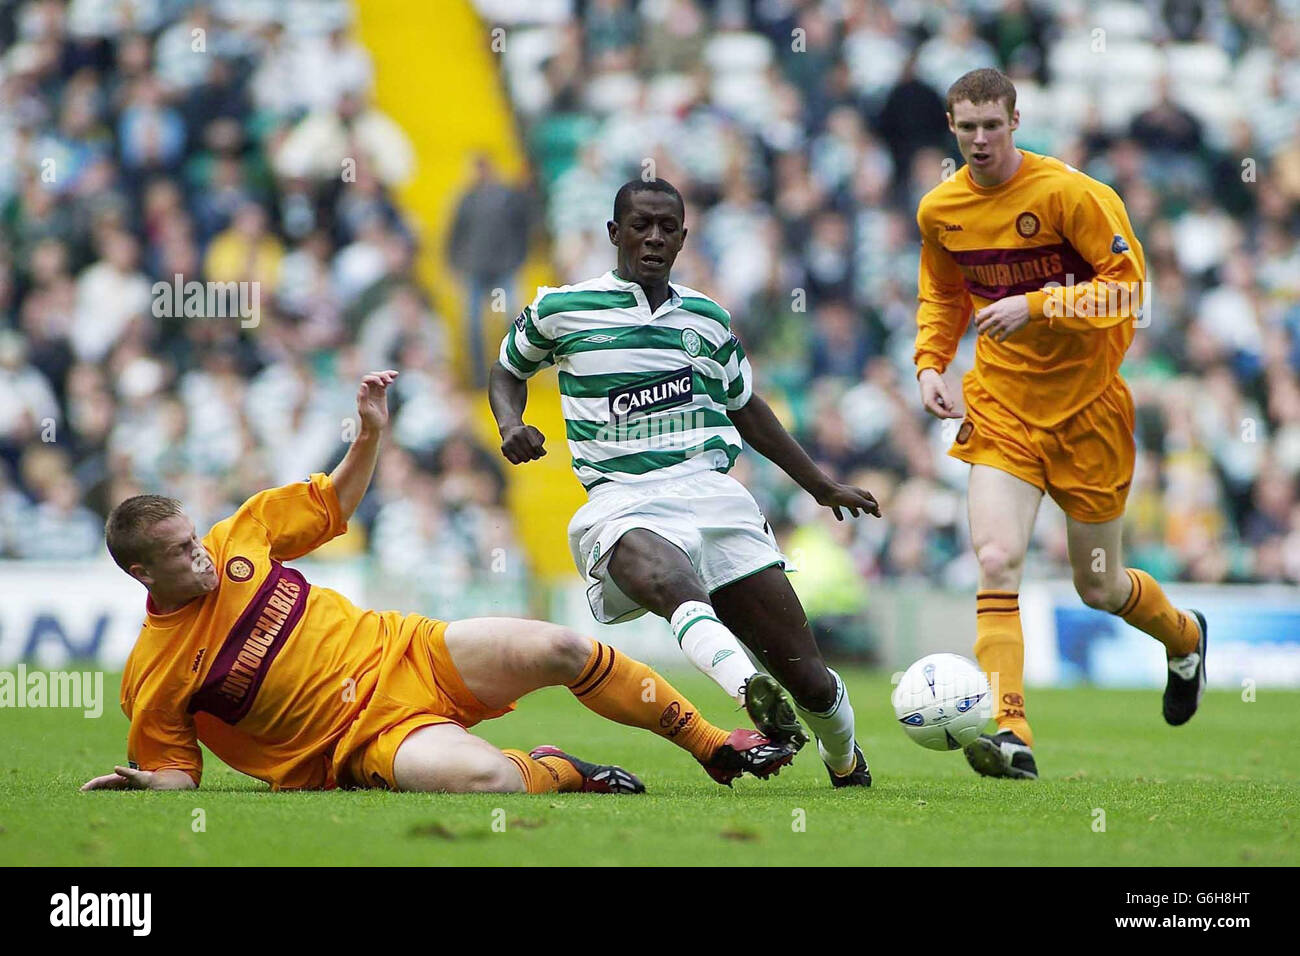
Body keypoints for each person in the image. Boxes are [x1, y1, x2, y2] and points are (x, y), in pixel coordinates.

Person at [82, 370, 795, 795]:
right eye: (181, 554)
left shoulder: (239, 533)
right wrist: (152, 784)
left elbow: (332, 505)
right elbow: (177, 768)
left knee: (561, 649)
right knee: (485, 779)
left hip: (408, 650)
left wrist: (367, 434)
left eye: (193, 537)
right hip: (359, 744)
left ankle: (712, 746)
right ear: (143, 572)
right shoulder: (154, 673)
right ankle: (566, 772)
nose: (201, 556)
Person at [488, 179, 880, 787]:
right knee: (670, 579)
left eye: (667, 228)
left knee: (810, 679)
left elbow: (748, 409)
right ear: (614, 234)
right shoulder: (562, 308)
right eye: (640, 225)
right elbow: (507, 369)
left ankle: (844, 760)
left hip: (713, 495)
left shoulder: (707, 317)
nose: (653, 237)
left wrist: (821, 486)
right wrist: (511, 423)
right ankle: (747, 690)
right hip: (622, 500)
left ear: (683, 237)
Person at [914, 68, 1208, 780]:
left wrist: (1038, 304)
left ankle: (1184, 637)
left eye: (992, 125)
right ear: (952, 129)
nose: (980, 140)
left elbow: (1129, 295)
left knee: (1099, 587)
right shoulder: (940, 210)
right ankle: (1011, 730)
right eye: (967, 127)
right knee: (993, 558)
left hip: (1088, 413)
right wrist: (930, 362)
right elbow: (942, 292)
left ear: (1016, 122)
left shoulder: (1071, 195)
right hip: (1004, 408)